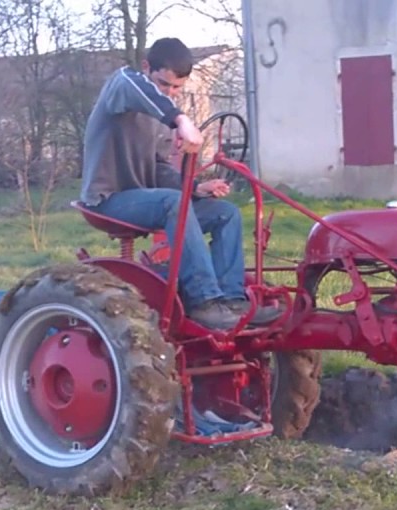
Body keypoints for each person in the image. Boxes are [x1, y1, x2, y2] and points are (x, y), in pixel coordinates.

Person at [78, 37, 280, 330]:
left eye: (177, 88)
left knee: (225, 213)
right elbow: (137, 87)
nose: (170, 93)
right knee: (172, 204)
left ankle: (233, 302)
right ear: (147, 67)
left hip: (142, 198)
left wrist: (196, 188)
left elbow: (160, 168)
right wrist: (181, 120)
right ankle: (204, 303)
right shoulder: (121, 86)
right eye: (164, 84)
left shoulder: (162, 117)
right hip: (107, 199)